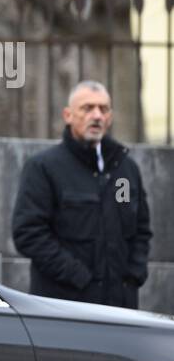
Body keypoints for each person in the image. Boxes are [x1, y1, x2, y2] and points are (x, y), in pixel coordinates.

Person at [12, 80, 152, 309]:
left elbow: (139, 228)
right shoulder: (44, 168)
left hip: (121, 308)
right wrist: (79, 277)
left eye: (103, 109)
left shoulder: (124, 171)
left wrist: (133, 274)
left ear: (110, 117)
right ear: (68, 115)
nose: (96, 115)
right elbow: (28, 233)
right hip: (66, 307)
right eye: (87, 108)